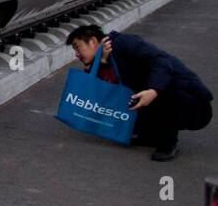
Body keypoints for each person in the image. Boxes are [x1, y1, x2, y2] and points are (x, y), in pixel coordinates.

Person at [66, 24, 213, 161]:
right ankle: (150, 136)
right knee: (127, 99)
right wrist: (104, 62)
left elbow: (162, 62)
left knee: (159, 90)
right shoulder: (101, 59)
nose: (77, 55)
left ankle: (168, 142)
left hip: (194, 103)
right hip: (151, 96)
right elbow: (102, 91)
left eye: (78, 47)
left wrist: (153, 90)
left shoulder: (124, 43)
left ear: (92, 41)